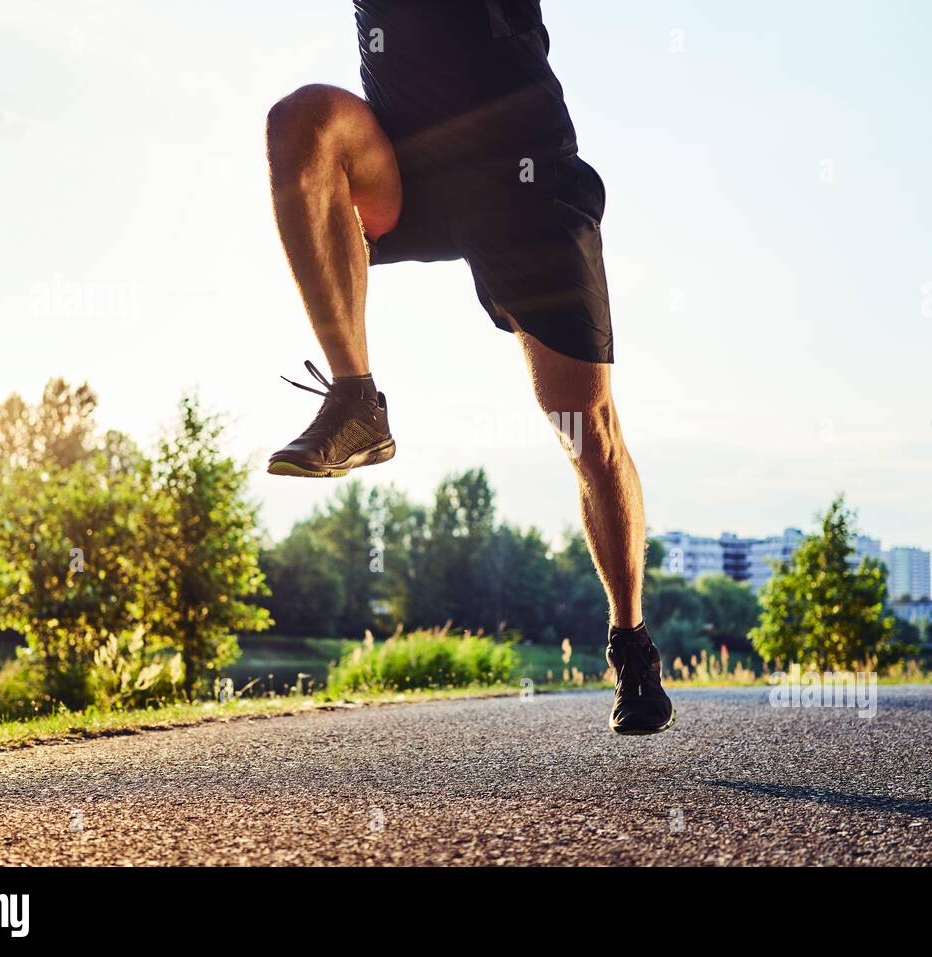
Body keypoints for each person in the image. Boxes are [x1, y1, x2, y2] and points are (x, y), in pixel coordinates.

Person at [264, 0, 674, 735]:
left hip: (528, 183)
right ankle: (356, 399)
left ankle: (630, 637)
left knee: (588, 431)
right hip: (409, 171)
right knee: (302, 121)